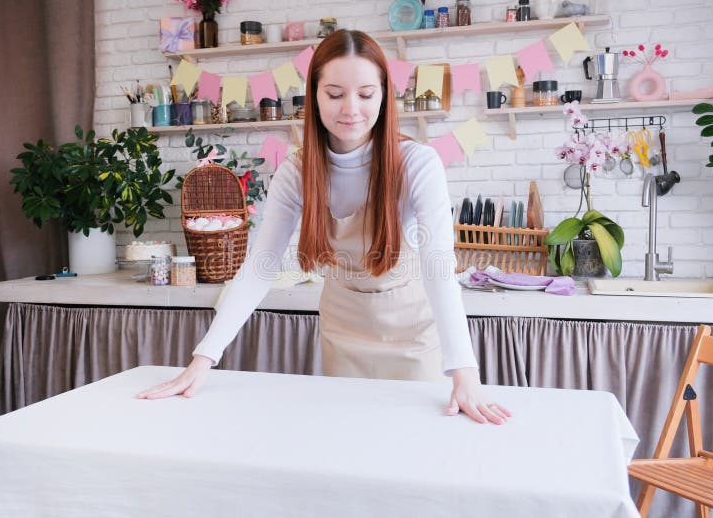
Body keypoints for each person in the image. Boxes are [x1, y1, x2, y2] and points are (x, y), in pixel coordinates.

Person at [138, 30, 511, 425]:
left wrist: (464, 372)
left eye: (366, 94)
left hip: (411, 330)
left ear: (384, 96)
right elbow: (260, 266)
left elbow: (439, 264)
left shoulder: (417, 163)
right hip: (343, 327)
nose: (351, 108)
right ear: (314, 95)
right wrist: (203, 359)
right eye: (335, 94)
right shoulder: (297, 171)